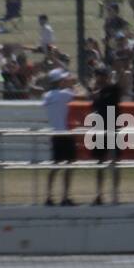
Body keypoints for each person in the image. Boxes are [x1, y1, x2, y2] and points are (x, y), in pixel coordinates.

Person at [43, 68, 78, 206]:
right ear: (59, 81)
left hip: (55, 133)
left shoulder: (47, 96)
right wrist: (72, 83)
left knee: (55, 166)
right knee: (69, 165)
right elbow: (79, 93)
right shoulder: (65, 94)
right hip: (66, 133)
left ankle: (49, 196)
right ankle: (65, 196)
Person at [89, 66, 121, 205]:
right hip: (100, 129)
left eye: (101, 76)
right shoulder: (97, 92)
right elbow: (94, 107)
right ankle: (99, 194)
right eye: (98, 76)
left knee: (114, 162)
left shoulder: (113, 89)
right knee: (100, 162)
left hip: (112, 129)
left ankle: (114, 195)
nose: (99, 78)